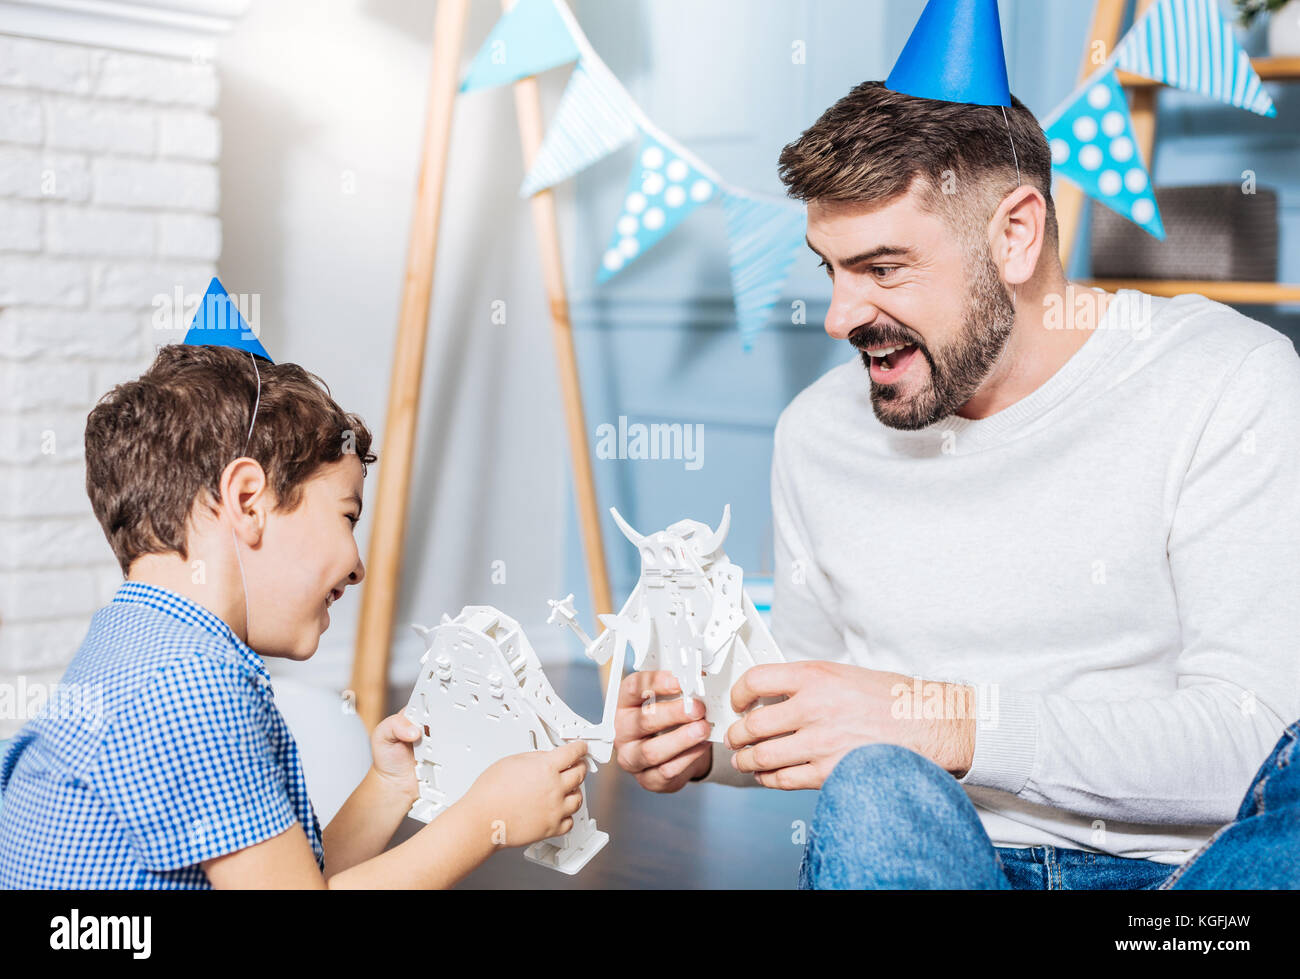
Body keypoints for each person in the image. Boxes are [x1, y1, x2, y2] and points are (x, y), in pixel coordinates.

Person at [611, 79, 1300, 889]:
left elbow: (1253, 745)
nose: (838, 315)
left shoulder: (1226, 378)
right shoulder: (817, 431)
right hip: (935, 860)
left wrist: (941, 719)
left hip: (1177, 889)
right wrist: (700, 742)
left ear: (1014, 234)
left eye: (882, 267)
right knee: (874, 787)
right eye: (830, 268)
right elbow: (811, 704)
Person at [0, 339, 588, 888]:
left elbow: (288, 877)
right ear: (249, 501)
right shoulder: (186, 685)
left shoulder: (134, 646)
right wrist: (484, 821)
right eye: (348, 517)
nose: (358, 567)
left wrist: (386, 787)